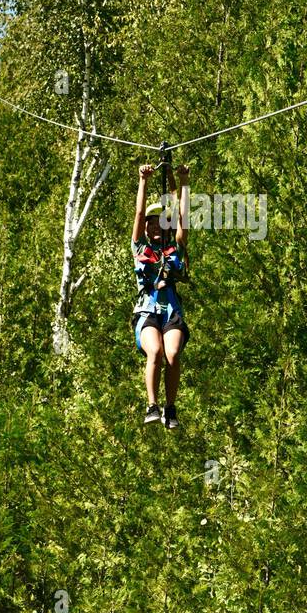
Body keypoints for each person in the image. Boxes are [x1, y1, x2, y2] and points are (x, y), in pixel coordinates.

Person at [131, 161, 190, 428]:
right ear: (146, 228)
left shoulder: (175, 247)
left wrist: (183, 181)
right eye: (151, 224)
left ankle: (171, 407)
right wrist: (144, 180)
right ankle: (152, 405)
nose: (155, 228)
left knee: (173, 354)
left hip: (170, 309)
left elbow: (183, 218)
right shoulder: (139, 247)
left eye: (160, 224)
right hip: (147, 310)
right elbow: (139, 212)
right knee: (155, 351)